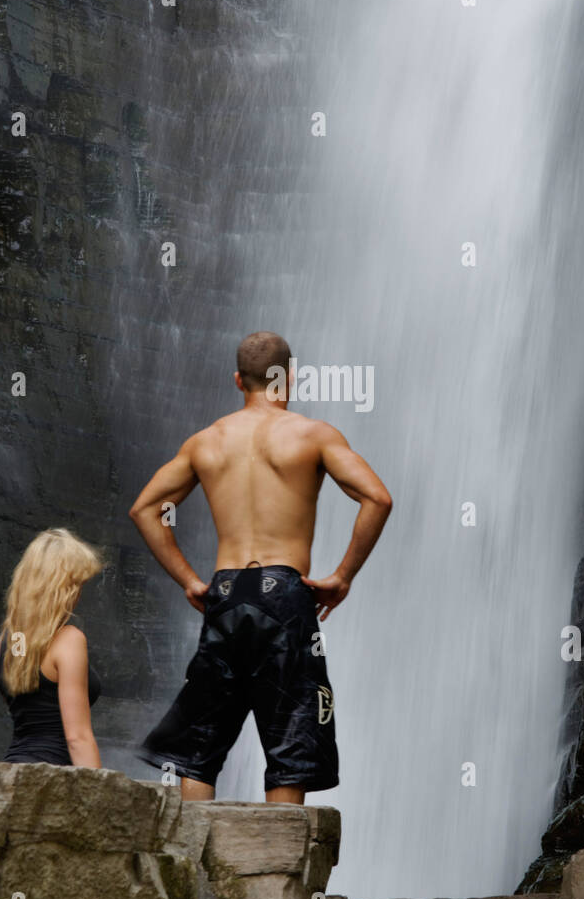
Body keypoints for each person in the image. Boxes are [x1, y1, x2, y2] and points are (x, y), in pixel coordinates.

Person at [130, 331, 392, 805]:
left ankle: (191, 866)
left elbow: (144, 509)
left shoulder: (204, 442)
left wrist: (191, 581)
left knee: (200, 743)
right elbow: (377, 497)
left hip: (226, 593)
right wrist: (342, 576)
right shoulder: (314, 435)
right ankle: (277, 874)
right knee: (291, 737)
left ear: (238, 380)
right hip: (284, 594)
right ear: (289, 378)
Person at [0, 527, 103, 768]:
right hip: (54, 778)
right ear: (61, 589)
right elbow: (77, 738)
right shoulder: (69, 640)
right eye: (77, 585)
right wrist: (100, 797)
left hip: (13, 770)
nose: (79, 594)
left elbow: (31, 718)